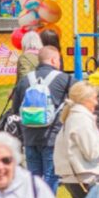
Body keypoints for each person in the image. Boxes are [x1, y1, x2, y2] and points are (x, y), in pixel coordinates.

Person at [8, 46, 70, 189]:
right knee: (51, 174)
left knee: (33, 176)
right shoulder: (64, 79)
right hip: (51, 136)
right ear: (54, 60)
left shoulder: (25, 80)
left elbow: (15, 109)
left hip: (29, 136)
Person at [52, 81, 99, 198]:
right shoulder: (81, 119)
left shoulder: (74, 117)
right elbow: (92, 152)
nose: (97, 103)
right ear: (85, 100)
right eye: (94, 98)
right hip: (84, 177)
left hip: (76, 177)